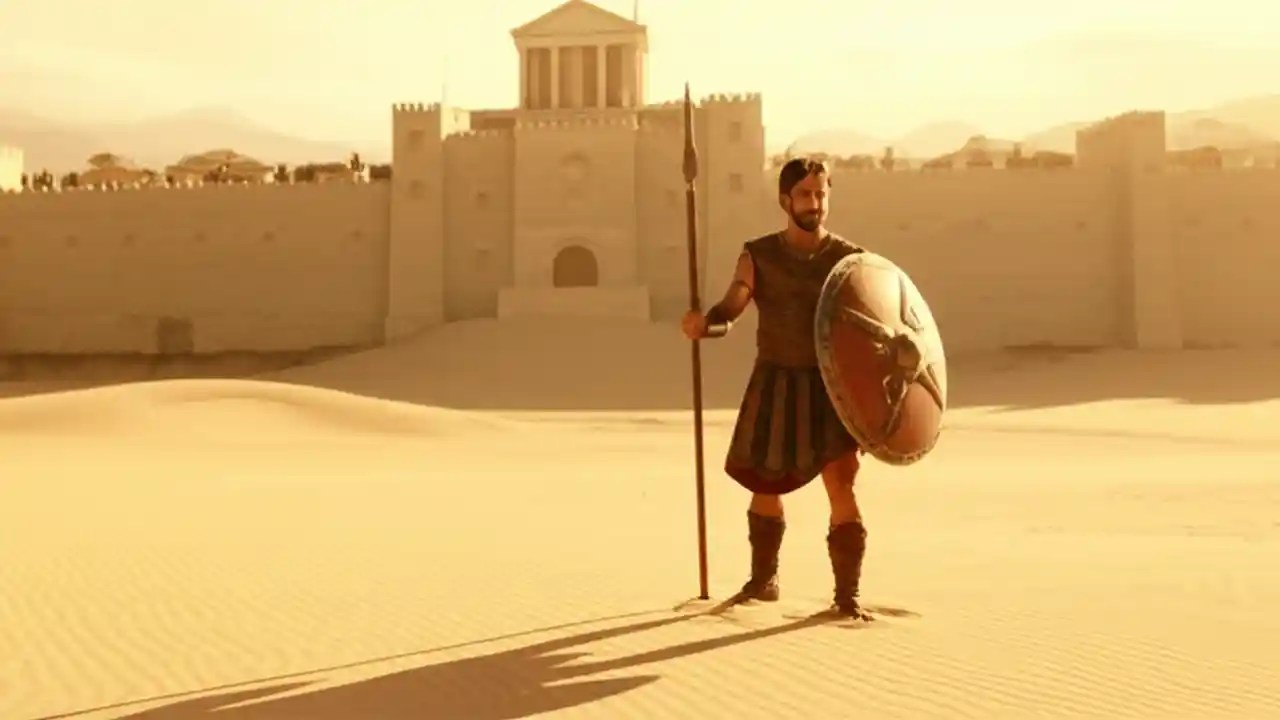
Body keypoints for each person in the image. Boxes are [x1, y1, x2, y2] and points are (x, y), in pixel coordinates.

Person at [681, 157, 871, 620]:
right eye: (805, 194)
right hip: (776, 381)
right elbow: (733, 308)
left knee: (841, 484)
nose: (815, 203)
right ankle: (763, 580)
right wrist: (706, 325)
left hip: (829, 387)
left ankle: (847, 598)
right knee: (765, 483)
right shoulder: (758, 256)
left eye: (822, 193)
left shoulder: (849, 260)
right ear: (785, 200)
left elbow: (871, 326)